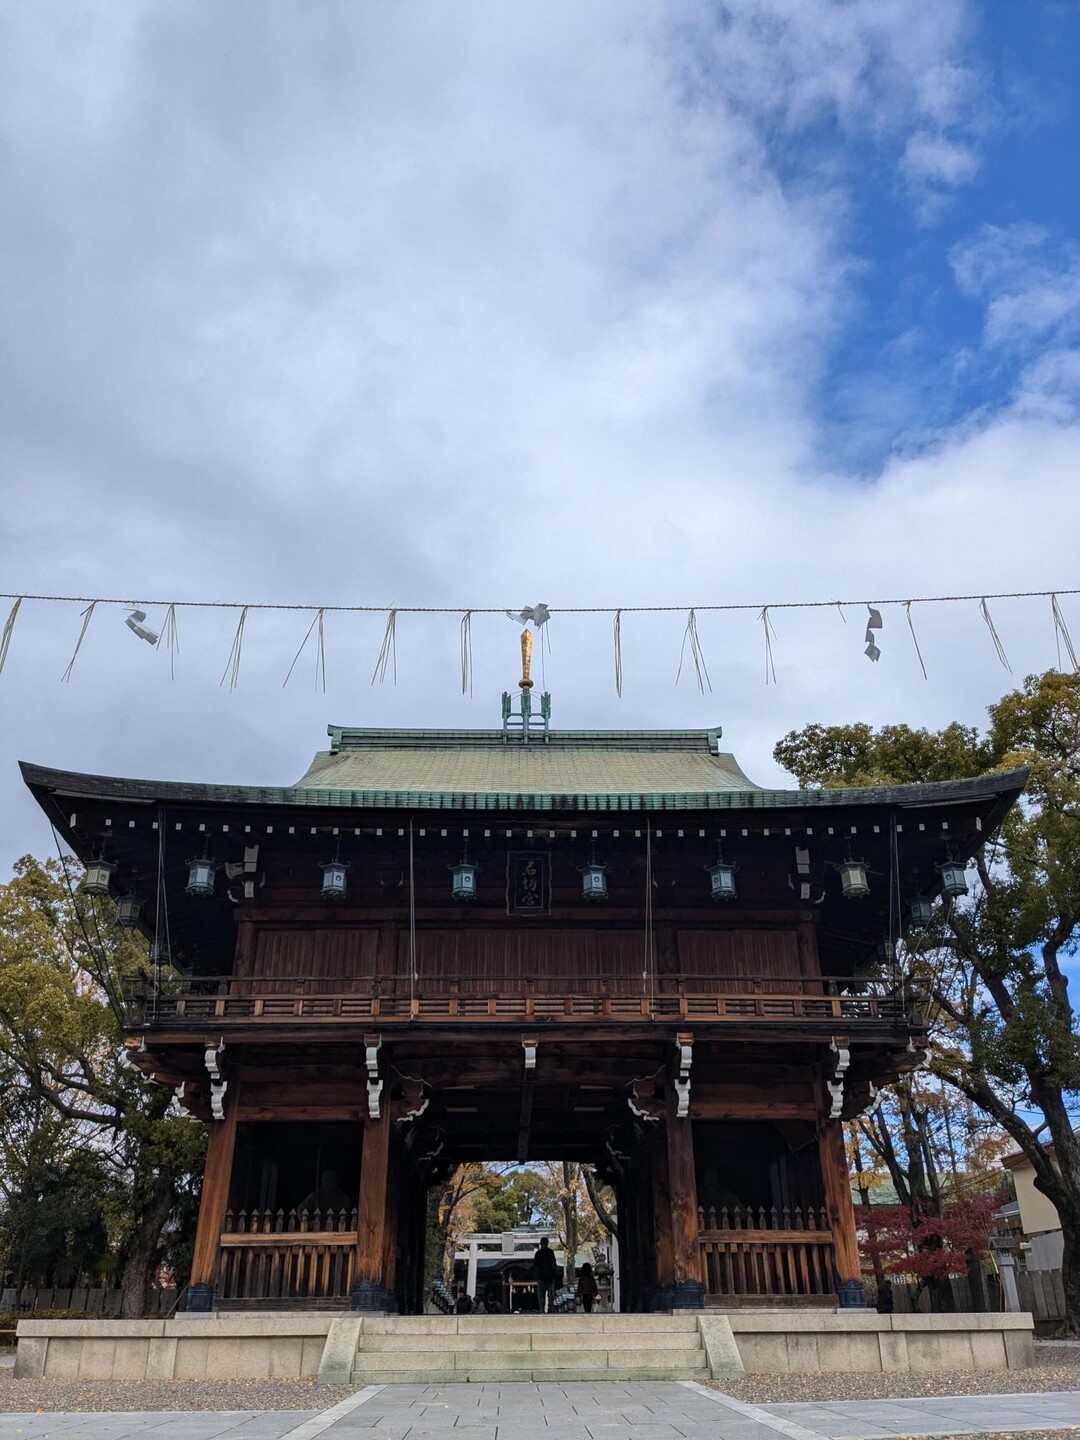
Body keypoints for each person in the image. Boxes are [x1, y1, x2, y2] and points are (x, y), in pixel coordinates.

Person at [533, 1235, 558, 1314]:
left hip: (549, 1278)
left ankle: (550, 1308)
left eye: (545, 1243)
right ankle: (542, 1309)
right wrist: (537, 1277)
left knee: (551, 1295)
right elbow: (536, 1266)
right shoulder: (538, 1254)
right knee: (541, 1296)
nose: (544, 1245)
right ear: (541, 1244)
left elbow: (554, 1264)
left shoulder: (550, 1252)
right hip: (541, 1278)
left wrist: (554, 1275)